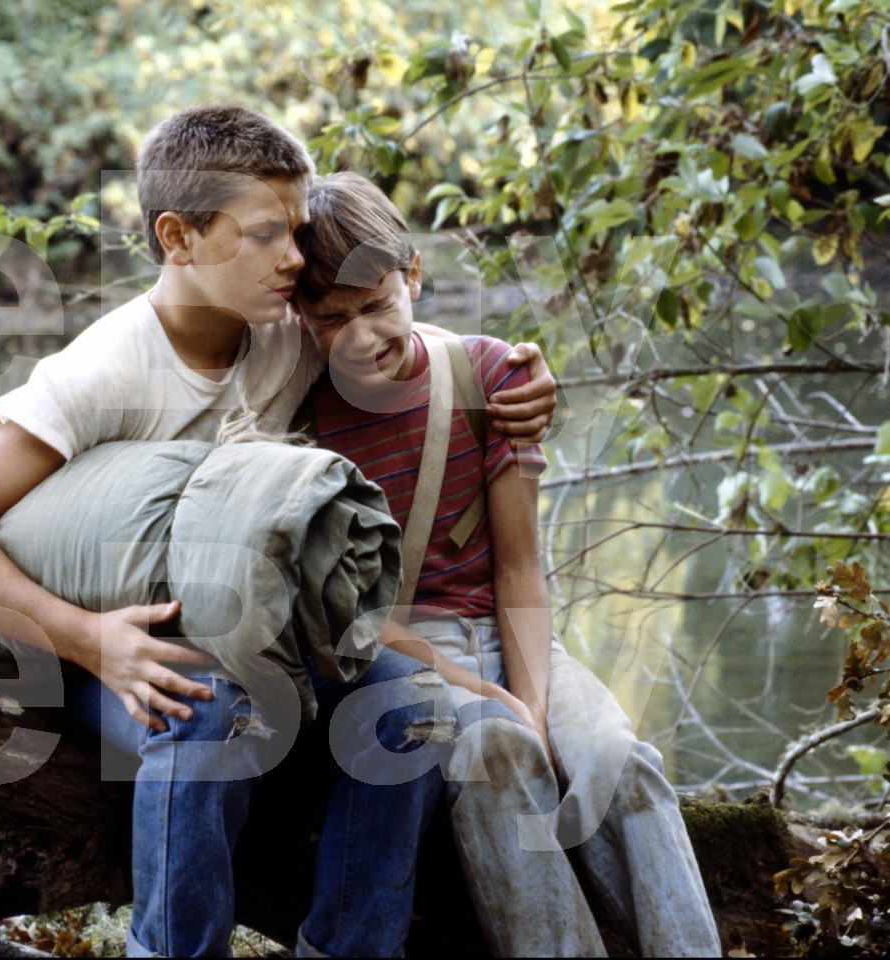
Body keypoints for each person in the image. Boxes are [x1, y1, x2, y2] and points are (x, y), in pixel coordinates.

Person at [0, 106, 558, 957]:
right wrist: (92, 639)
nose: (295, 257)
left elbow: (395, 331)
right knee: (213, 714)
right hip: (92, 647)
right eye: (266, 235)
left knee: (410, 705)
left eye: (296, 229)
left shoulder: (285, 334)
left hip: (243, 626)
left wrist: (520, 377)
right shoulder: (103, 372)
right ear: (178, 237)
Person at [292, 172, 720, 958]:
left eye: (377, 304)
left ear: (412, 274)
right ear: (298, 317)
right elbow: (359, 617)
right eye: (331, 319)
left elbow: (520, 571)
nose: (360, 337)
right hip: (404, 652)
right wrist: (492, 701)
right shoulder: (301, 427)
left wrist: (532, 697)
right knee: (497, 751)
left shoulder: (490, 378)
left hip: (515, 630)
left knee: (613, 757)